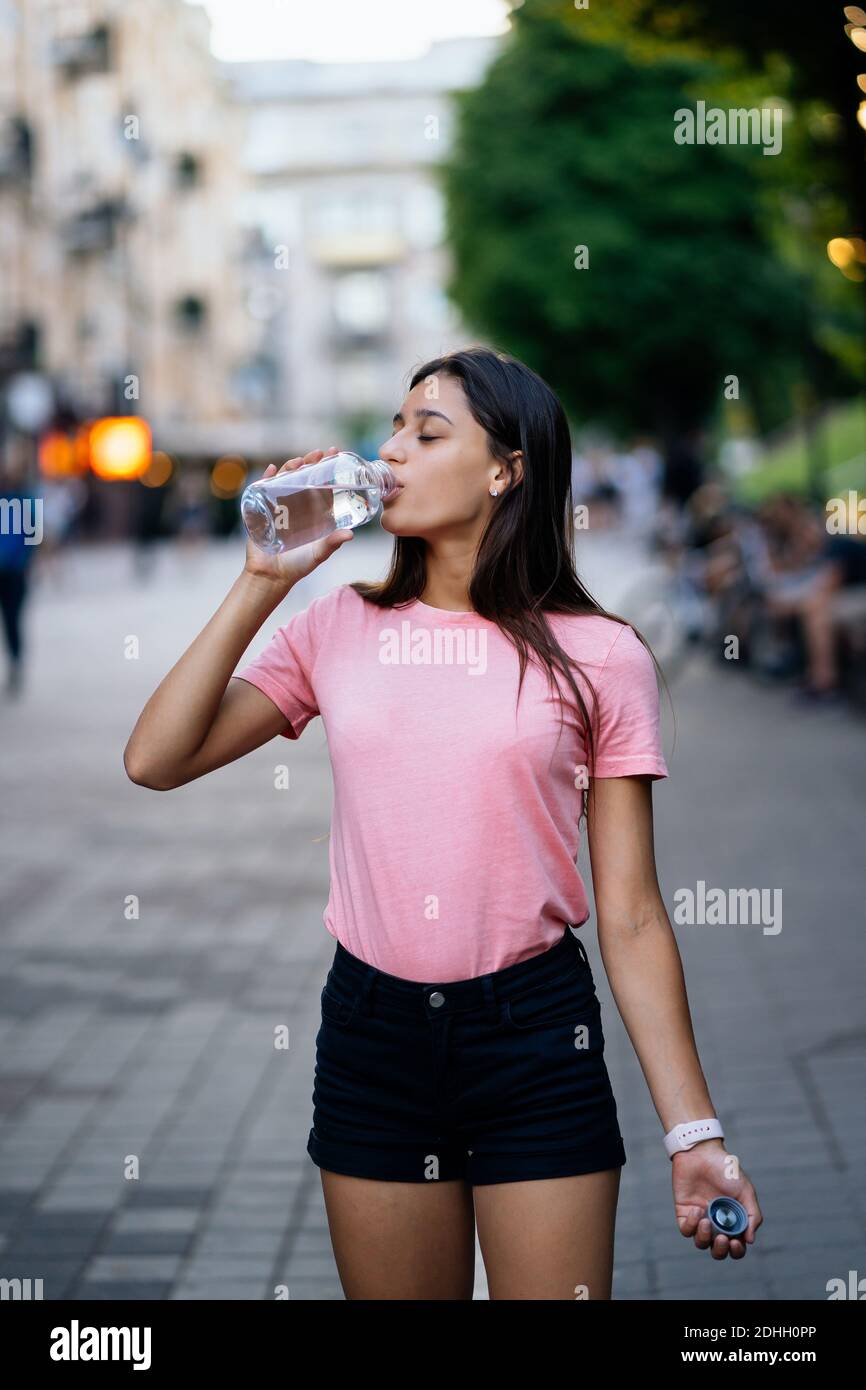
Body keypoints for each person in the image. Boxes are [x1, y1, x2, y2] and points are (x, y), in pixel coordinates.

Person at [123, 346, 762, 1300]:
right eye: (393, 429)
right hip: (373, 1038)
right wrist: (264, 578)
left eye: (428, 432)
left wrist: (694, 1133)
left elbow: (630, 914)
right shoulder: (336, 626)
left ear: (506, 470)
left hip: (537, 1040)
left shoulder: (601, 656)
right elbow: (155, 760)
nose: (392, 452)